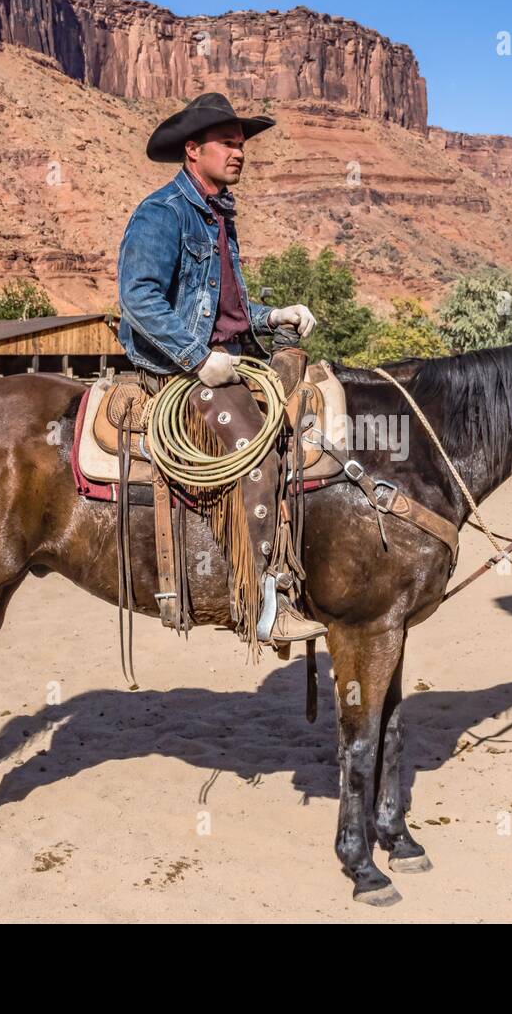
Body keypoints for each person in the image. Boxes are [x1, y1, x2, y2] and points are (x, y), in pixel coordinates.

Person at [117, 92, 326, 642]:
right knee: (253, 441)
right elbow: (138, 298)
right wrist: (196, 357)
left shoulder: (218, 216)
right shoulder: (162, 213)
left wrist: (271, 314)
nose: (239, 154)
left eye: (241, 145)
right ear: (193, 150)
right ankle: (265, 600)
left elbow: (225, 310)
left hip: (227, 360)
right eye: (228, 144)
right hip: (180, 370)